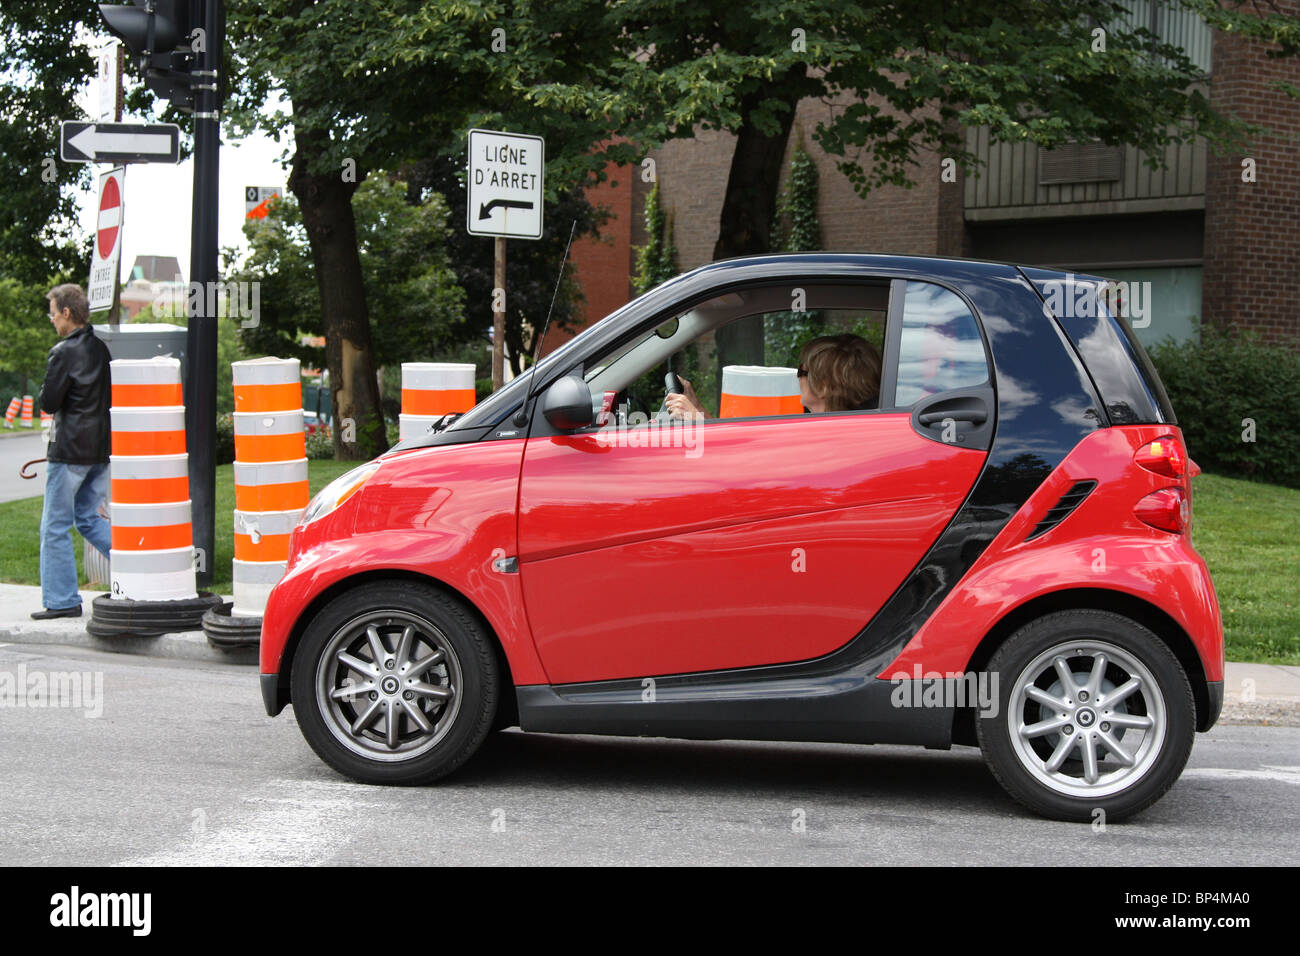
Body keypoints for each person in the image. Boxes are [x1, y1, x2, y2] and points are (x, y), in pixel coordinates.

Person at [32, 284, 112, 620]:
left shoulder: (63, 352)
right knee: (90, 518)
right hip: (99, 451)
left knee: (55, 526)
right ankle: (142, 569)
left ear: (67, 312)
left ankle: (62, 600)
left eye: (53, 313)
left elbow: (49, 401)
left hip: (69, 453)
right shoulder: (101, 348)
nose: (51, 320)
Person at [665, 332, 882, 419]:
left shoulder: (827, 437)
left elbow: (746, 468)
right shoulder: (843, 426)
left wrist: (696, 419)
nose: (797, 377)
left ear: (824, 386)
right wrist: (697, 408)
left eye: (801, 370)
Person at [796, 333, 881, 412]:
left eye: (801, 371)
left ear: (822, 387)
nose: (798, 377)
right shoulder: (873, 421)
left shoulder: (830, 427)